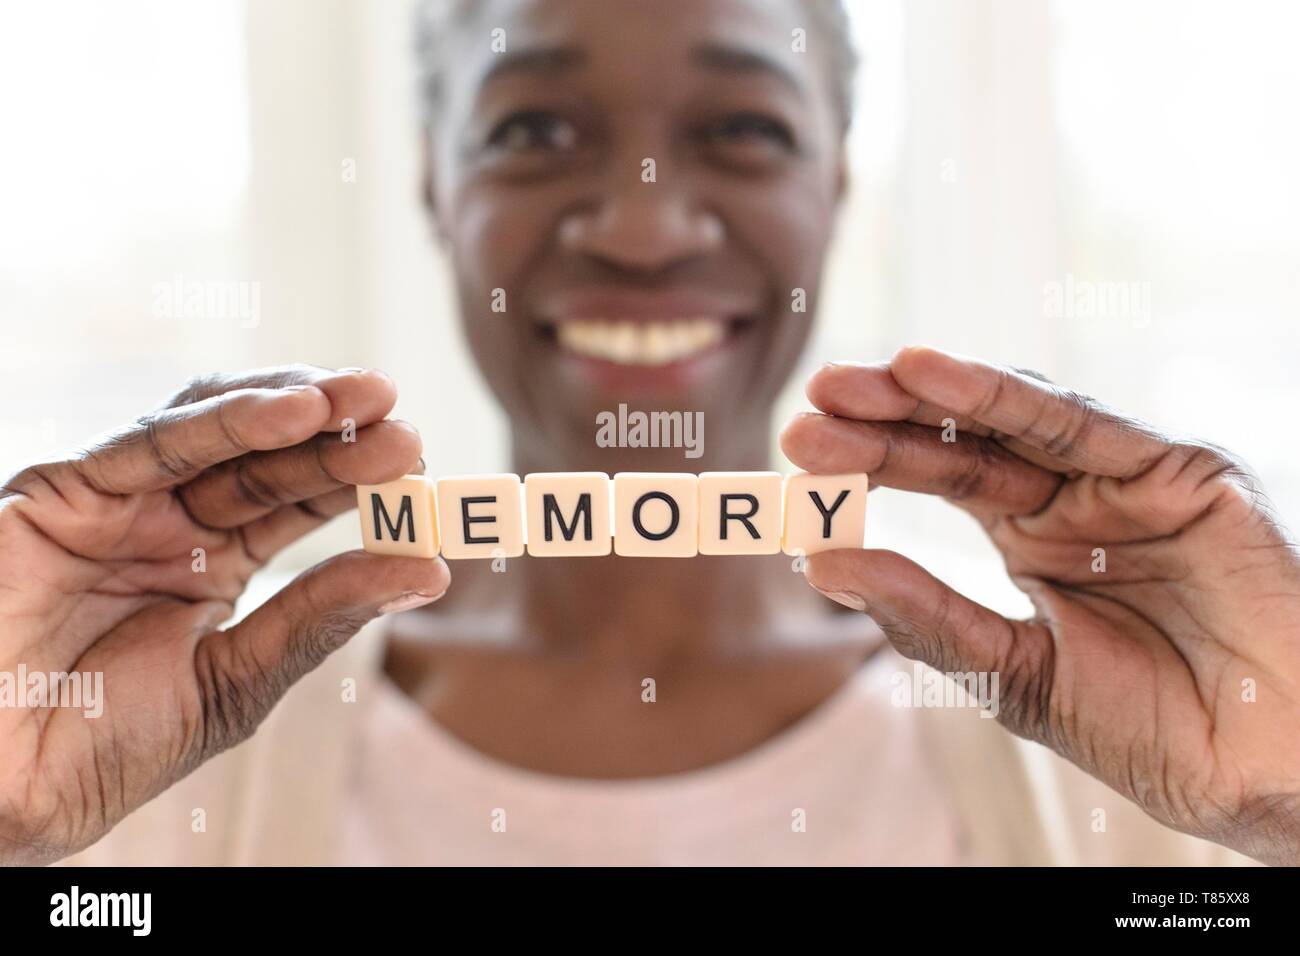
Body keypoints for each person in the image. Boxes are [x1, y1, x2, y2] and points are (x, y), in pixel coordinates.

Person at [3, 0, 1297, 867]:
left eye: (742, 129)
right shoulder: (147, 777)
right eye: (534, 130)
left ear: (836, 181)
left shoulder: (1142, 792)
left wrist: (1284, 796)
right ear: (430, 185)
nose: (641, 226)